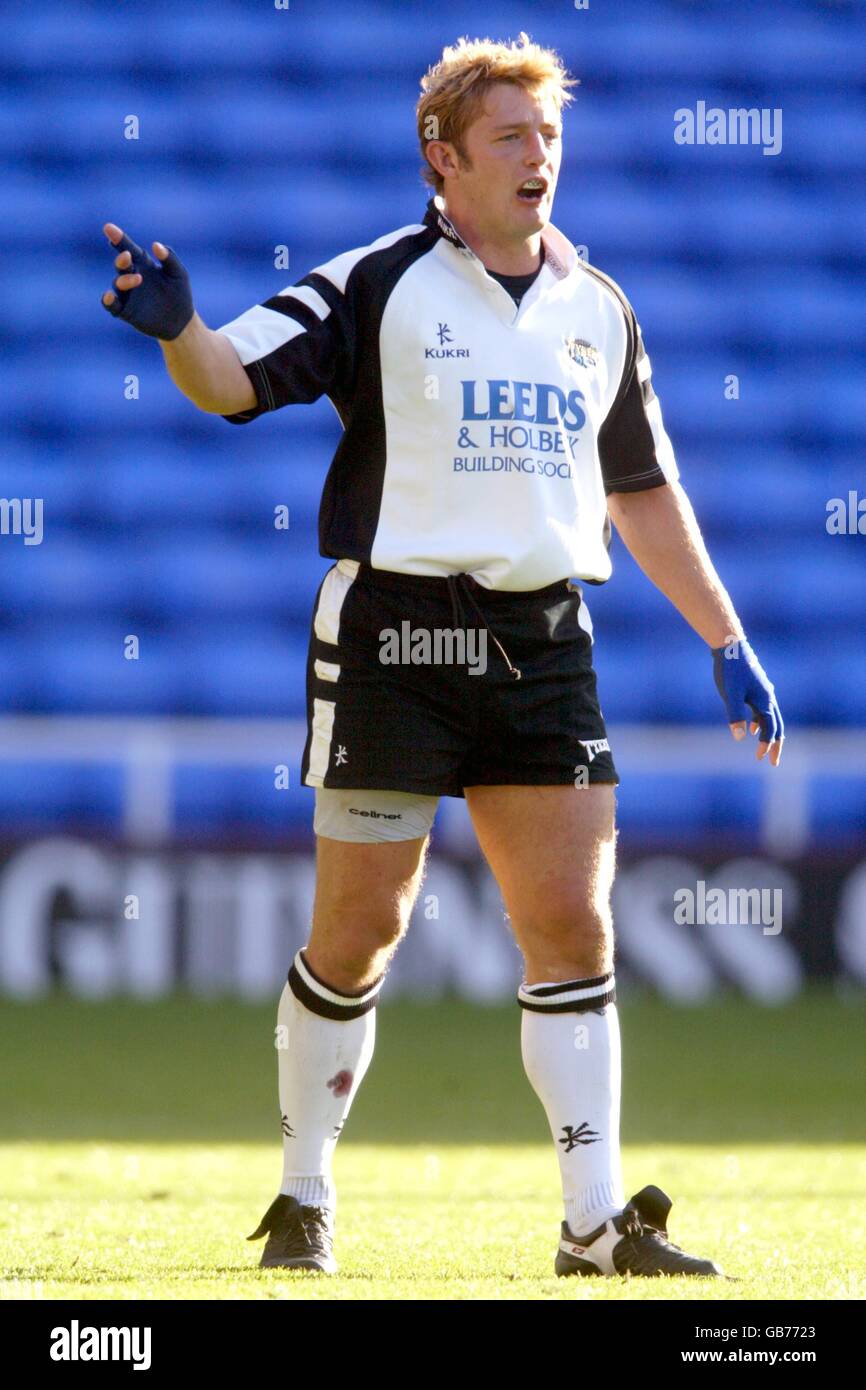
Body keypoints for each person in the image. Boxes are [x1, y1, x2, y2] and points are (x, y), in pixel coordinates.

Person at [101, 32, 783, 1280]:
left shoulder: (600, 308)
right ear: (444, 158)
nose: (540, 158)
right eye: (512, 138)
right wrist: (177, 326)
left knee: (572, 927)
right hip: (392, 641)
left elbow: (640, 491)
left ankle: (590, 1225)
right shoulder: (375, 282)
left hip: (540, 641)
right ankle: (304, 1188)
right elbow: (229, 382)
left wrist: (724, 636)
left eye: (550, 136)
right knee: (360, 933)